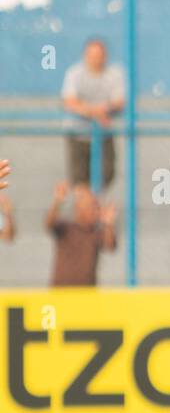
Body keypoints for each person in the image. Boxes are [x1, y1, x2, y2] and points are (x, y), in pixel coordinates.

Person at [61, 38, 125, 190]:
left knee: (106, 175)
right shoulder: (74, 73)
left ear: (105, 56)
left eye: (99, 55)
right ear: (85, 56)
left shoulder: (115, 73)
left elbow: (119, 102)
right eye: (92, 55)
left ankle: (96, 210)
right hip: (77, 134)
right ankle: (84, 211)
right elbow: (69, 102)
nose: (96, 59)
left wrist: (92, 110)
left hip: (104, 135)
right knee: (79, 180)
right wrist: (97, 112)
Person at [46, 181, 117, 286]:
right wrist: (58, 201)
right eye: (92, 207)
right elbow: (49, 223)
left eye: (97, 207)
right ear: (79, 209)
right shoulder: (66, 228)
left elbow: (110, 245)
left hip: (87, 295)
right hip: (61, 292)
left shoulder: (96, 233)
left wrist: (109, 224)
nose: (96, 211)